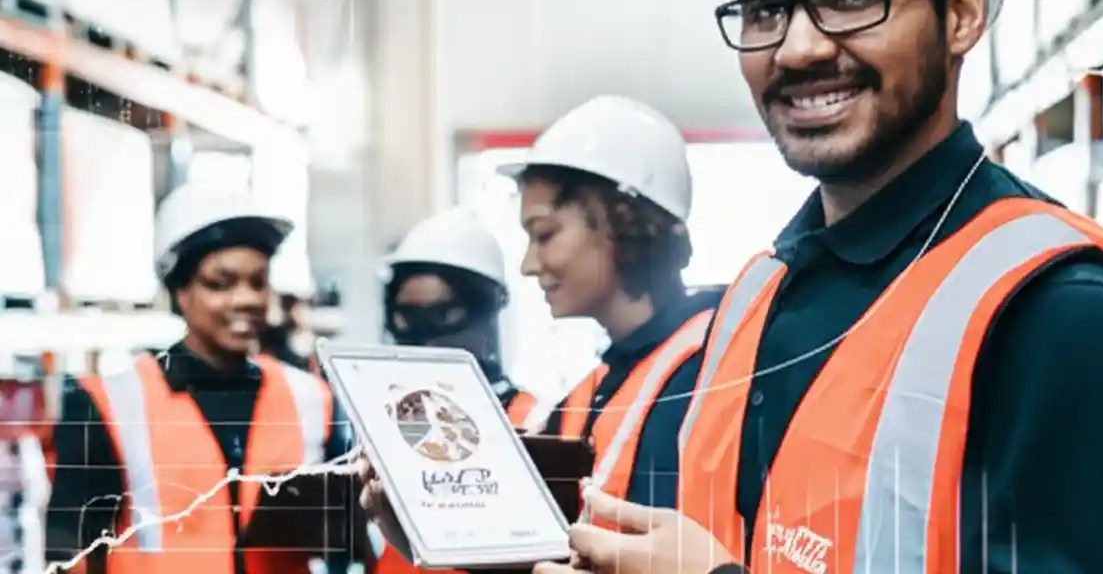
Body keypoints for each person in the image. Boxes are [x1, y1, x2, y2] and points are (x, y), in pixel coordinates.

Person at [538, 0, 1103, 573]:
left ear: (962, 13)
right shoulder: (758, 295)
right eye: (766, 9)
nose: (798, 47)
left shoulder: (1064, 314)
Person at [359, 95, 725, 554]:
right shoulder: (581, 400)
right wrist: (410, 537)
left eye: (545, 234)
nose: (530, 264)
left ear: (621, 219)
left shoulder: (721, 370)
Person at [44, 184, 353, 574]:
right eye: (220, 284)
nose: (246, 299)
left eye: (258, 282)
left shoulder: (310, 398)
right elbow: (66, 550)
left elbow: (344, 544)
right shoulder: (110, 403)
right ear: (181, 292)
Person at [364, 207, 541, 574]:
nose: (425, 338)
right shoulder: (381, 420)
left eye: (443, 314)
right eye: (409, 316)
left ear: (487, 311)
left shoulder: (536, 422)